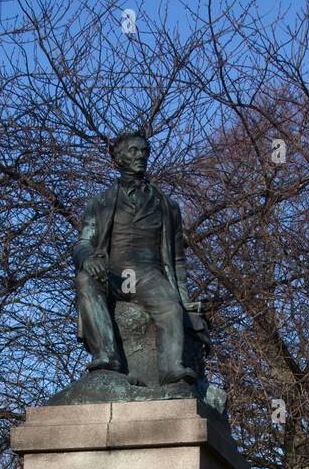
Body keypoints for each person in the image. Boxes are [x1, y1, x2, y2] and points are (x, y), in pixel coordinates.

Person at [73, 130, 208, 383]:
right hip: (112, 272)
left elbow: (178, 260)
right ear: (118, 157)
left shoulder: (168, 206)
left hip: (148, 273)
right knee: (84, 281)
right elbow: (83, 242)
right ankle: (107, 358)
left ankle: (171, 368)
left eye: (144, 151)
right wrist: (88, 258)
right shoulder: (100, 203)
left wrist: (184, 298)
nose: (141, 156)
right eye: (133, 151)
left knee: (169, 306)